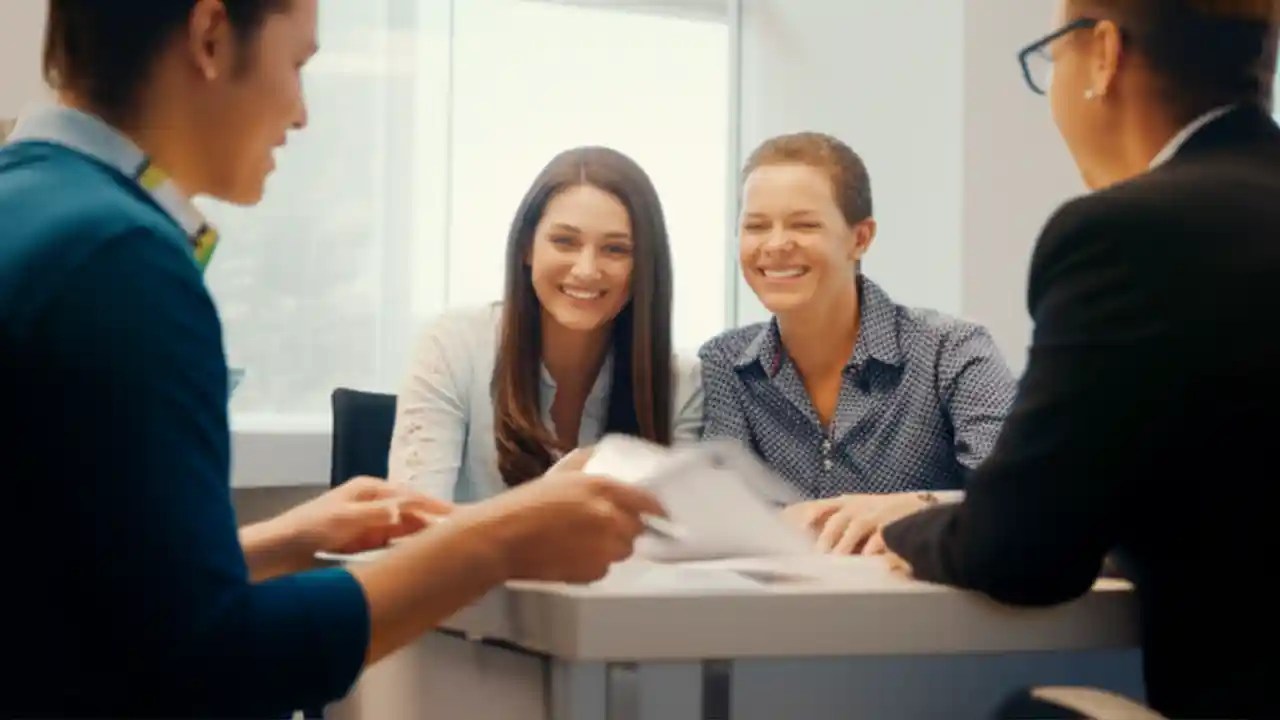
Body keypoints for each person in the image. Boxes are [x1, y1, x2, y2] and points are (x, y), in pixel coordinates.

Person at [0, 1, 665, 717]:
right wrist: (498, 540)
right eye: (298, 65)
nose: (302, 113)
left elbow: (77, 585)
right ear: (212, 38)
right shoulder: (121, 259)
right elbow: (208, 658)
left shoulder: (32, 208)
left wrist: (286, 538)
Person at [881, 1, 1279, 717]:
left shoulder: (1128, 235)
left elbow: (1019, 553)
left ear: (1102, 54)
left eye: (1050, 56)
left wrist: (897, 529)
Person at [697, 132, 1017, 555]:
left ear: (860, 239)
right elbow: (720, 516)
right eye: (756, 226)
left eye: (804, 224)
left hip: (925, 609)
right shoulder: (726, 363)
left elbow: (1019, 496)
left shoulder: (952, 349)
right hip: (781, 612)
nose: (775, 245)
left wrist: (916, 508)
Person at [387, 146, 704, 501]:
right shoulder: (453, 346)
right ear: (527, 246)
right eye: (564, 242)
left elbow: (677, 541)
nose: (586, 269)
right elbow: (408, 529)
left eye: (615, 249)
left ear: (645, 265)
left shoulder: (682, 383)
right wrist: (539, 506)